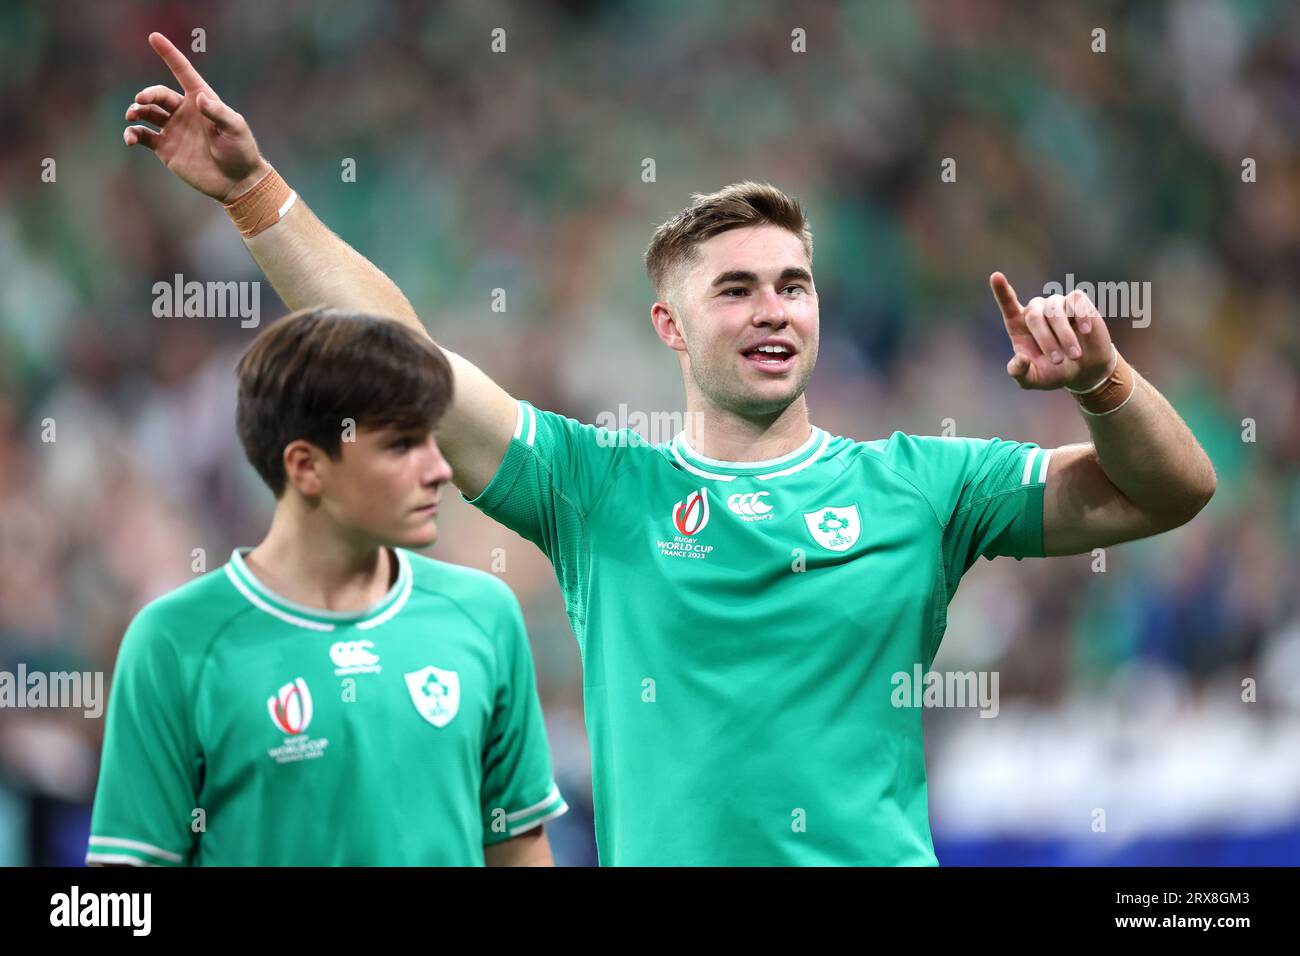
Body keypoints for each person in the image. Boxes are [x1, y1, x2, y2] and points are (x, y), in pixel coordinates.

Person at [124, 32, 1216, 865]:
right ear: (667, 325)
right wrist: (256, 197)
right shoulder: (601, 489)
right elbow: (400, 351)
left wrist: (1100, 382)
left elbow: (1169, 490)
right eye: (733, 289)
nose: (771, 310)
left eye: (793, 284)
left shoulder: (921, 483)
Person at [87, 307, 567, 866]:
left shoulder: (484, 616)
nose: (440, 468)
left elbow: (517, 848)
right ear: (307, 467)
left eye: (433, 440)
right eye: (401, 445)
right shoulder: (174, 641)